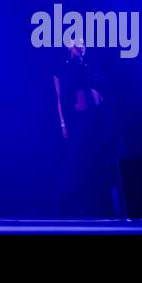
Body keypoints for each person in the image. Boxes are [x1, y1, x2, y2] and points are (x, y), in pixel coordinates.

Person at [53, 43, 114, 216]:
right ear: (68, 47)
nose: (80, 47)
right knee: (79, 162)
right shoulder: (64, 69)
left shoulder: (92, 66)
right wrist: (63, 123)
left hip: (97, 118)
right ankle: (75, 206)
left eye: (82, 44)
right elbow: (60, 98)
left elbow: (104, 89)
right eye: (75, 45)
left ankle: (102, 206)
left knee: (99, 161)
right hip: (78, 120)